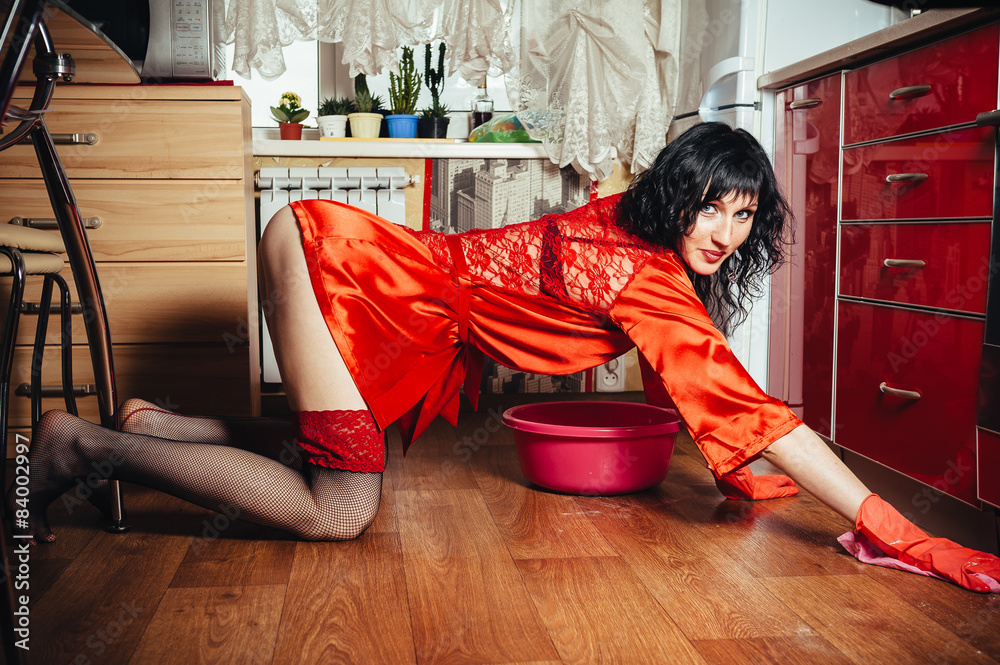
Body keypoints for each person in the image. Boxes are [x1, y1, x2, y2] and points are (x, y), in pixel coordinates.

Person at [8, 122, 1000, 593]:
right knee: (342, 506)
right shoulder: (645, 274)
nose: (724, 232)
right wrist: (896, 528)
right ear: (677, 192)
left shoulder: (635, 226)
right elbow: (751, 408)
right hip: (351, 265)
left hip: (354, 260)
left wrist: (741, 481)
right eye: (710, 205)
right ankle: (82, 448)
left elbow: (686, 384)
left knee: (340, 447)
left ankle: (158, 425)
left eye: (743, 217)